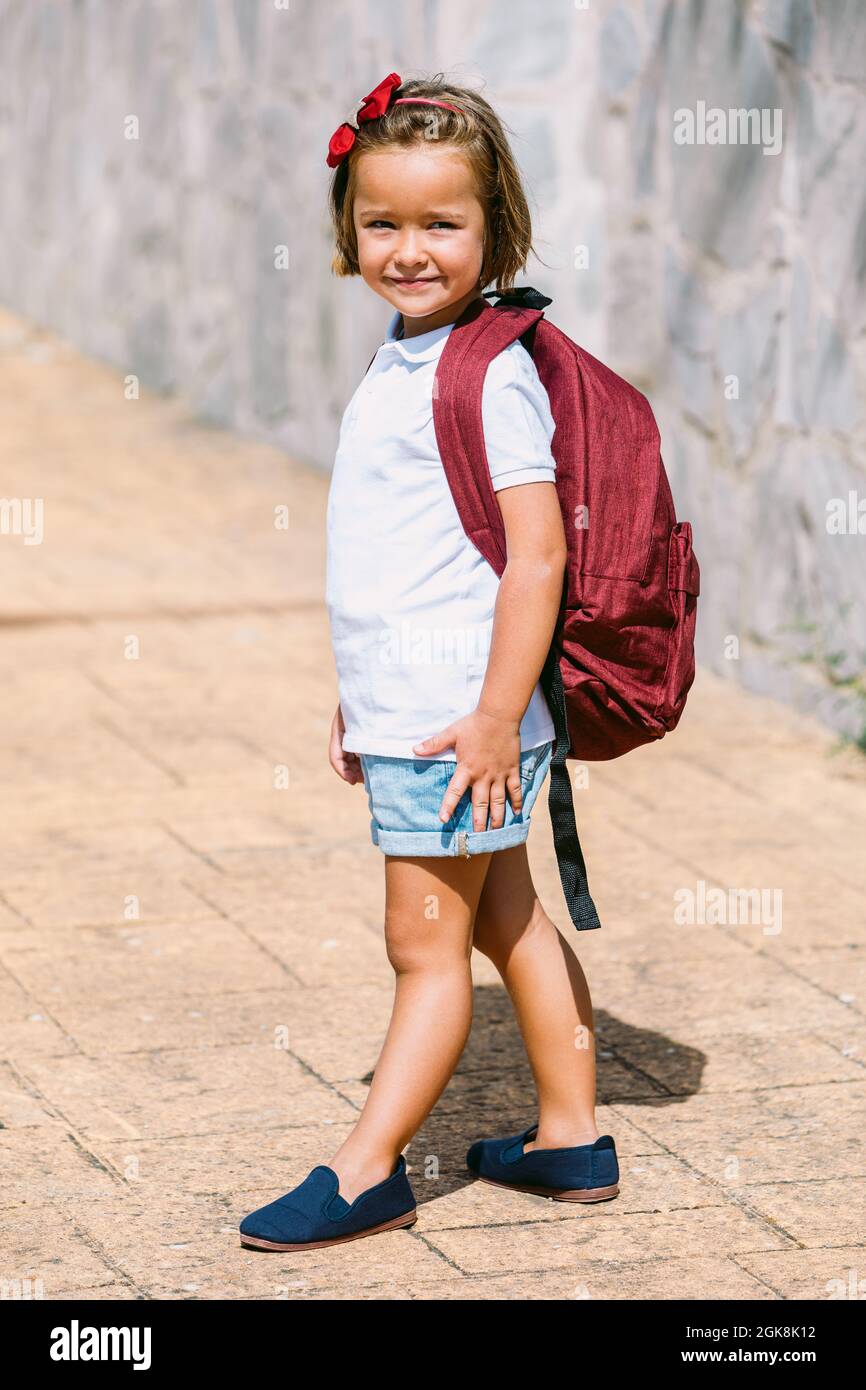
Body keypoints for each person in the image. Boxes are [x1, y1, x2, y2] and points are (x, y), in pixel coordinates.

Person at [240, 73, 619, 1254]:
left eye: (439, 224)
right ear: (347, 234)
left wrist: (496, 715)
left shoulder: (485, 370)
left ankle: (365, 1171)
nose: (408, 250)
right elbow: (400, 555)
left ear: (493, 226)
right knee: (506, 915)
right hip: (425, 708)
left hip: (458, 724)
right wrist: (361, 697)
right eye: (381, 224)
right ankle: (567, 1139)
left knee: (423, 950)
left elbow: (535, 557)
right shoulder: (411, 353)